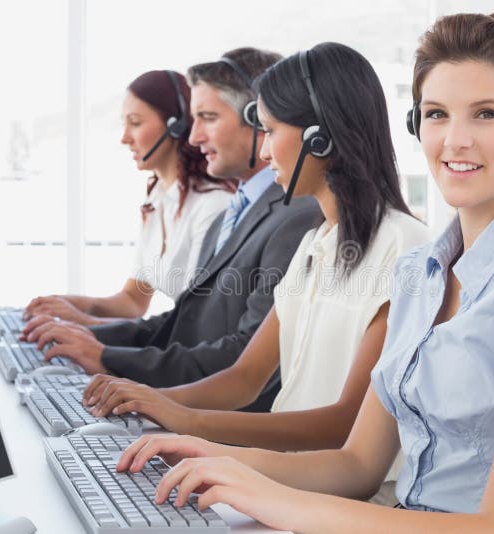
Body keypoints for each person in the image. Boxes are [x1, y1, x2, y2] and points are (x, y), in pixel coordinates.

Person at [111, 12, 494, 533]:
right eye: (436, 114)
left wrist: (272, 499)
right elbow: (358, 464)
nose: (455, 139)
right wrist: (210, 457)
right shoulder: (420, 272)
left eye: (488, 113)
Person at [81, 43, 430, 465]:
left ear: (320, 137)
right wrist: (149, 401)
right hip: (284, 477)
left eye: (272, 131)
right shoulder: (316, 244)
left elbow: (346, 423)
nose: (264, 152)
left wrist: (188, 422)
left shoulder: (402, 246)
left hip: (327, 491)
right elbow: (244, 378)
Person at [22, 47, 321, 412]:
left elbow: (241, 356)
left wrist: (110, 359)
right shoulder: (238, 212)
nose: (193, 137)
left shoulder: (294, 220)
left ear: (258, 119)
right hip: (190, 406)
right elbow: (181, 323)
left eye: (208, 117)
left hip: (222, 424)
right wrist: (93, 342)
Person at [23, 70, 234, 325]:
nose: (124, 138)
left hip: (189, 354)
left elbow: (193, 324)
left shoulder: (212, 206)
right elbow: (134, 300)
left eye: (135, 123)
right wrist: (68, 305)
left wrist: (83, 326)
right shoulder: (159, 199)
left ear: (176, 125)